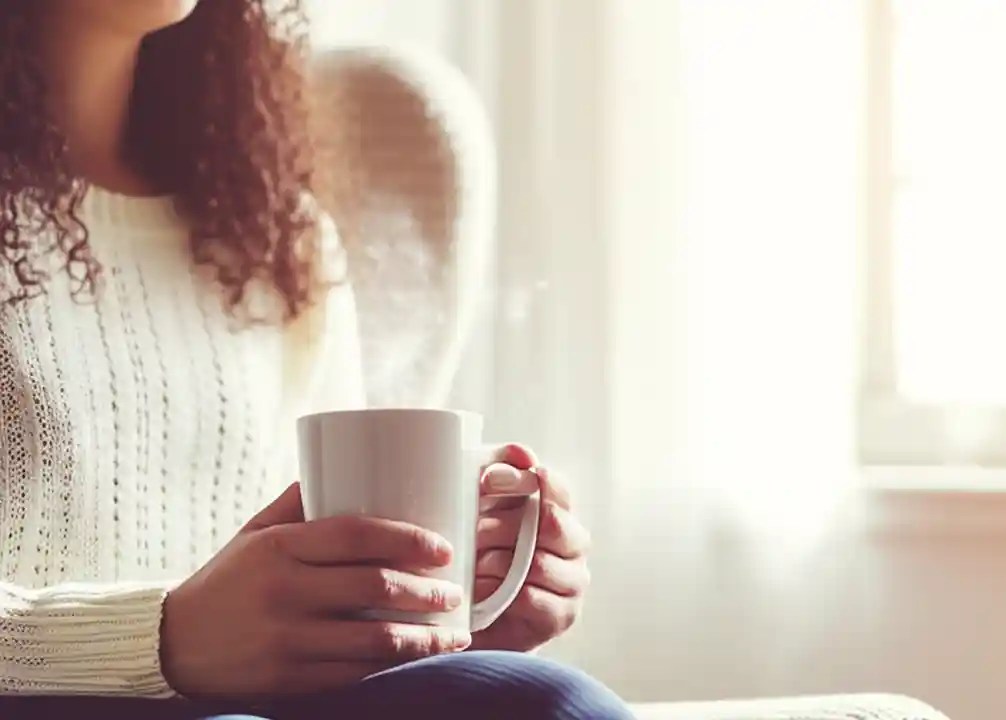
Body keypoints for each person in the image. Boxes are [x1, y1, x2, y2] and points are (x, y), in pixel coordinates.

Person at [0, 1, 632, 718]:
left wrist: (450, 597)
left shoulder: (278, 236)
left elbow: (316, 571)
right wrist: (161, 638)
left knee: (552, 703)